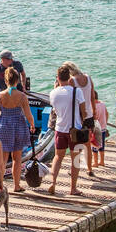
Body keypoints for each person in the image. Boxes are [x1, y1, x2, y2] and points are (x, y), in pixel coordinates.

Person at [0, 67, 34, 193]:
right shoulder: (22, 96)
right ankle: (16, 186)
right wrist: (32, 125)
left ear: (6, 81)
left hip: (4, 126)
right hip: (18, 126)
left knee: (3, 159)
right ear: (17, 81)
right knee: (17, 158)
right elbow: (28, 114)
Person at [48, 65, 85, 196]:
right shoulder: (77, 92)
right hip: (74, 129)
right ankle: (73, 188)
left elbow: (55, 110)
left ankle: (53, 182)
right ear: (69, 78)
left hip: (60, 129)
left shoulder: (53, 93)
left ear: (58, 78)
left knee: (58, 157)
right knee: (75, 159)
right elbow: (83, 111)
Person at [69, 66, 96, 178]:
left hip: (79, 117)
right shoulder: (88, 78)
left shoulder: (72, 81)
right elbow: (92, 96)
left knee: (76, 146)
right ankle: (90, 169)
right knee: (87, 145)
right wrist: (94, 111)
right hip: (89, 115)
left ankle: (75, 171)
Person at [92, 93, 109, 168]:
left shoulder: (93, 107)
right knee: (102, 146)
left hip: (96, 129)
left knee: (95, 146)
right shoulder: (102, 104)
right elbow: (107, 114)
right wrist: (105, 122)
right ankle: (102, 161)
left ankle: (95, 162)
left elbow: (94, 117)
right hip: (103, 127)